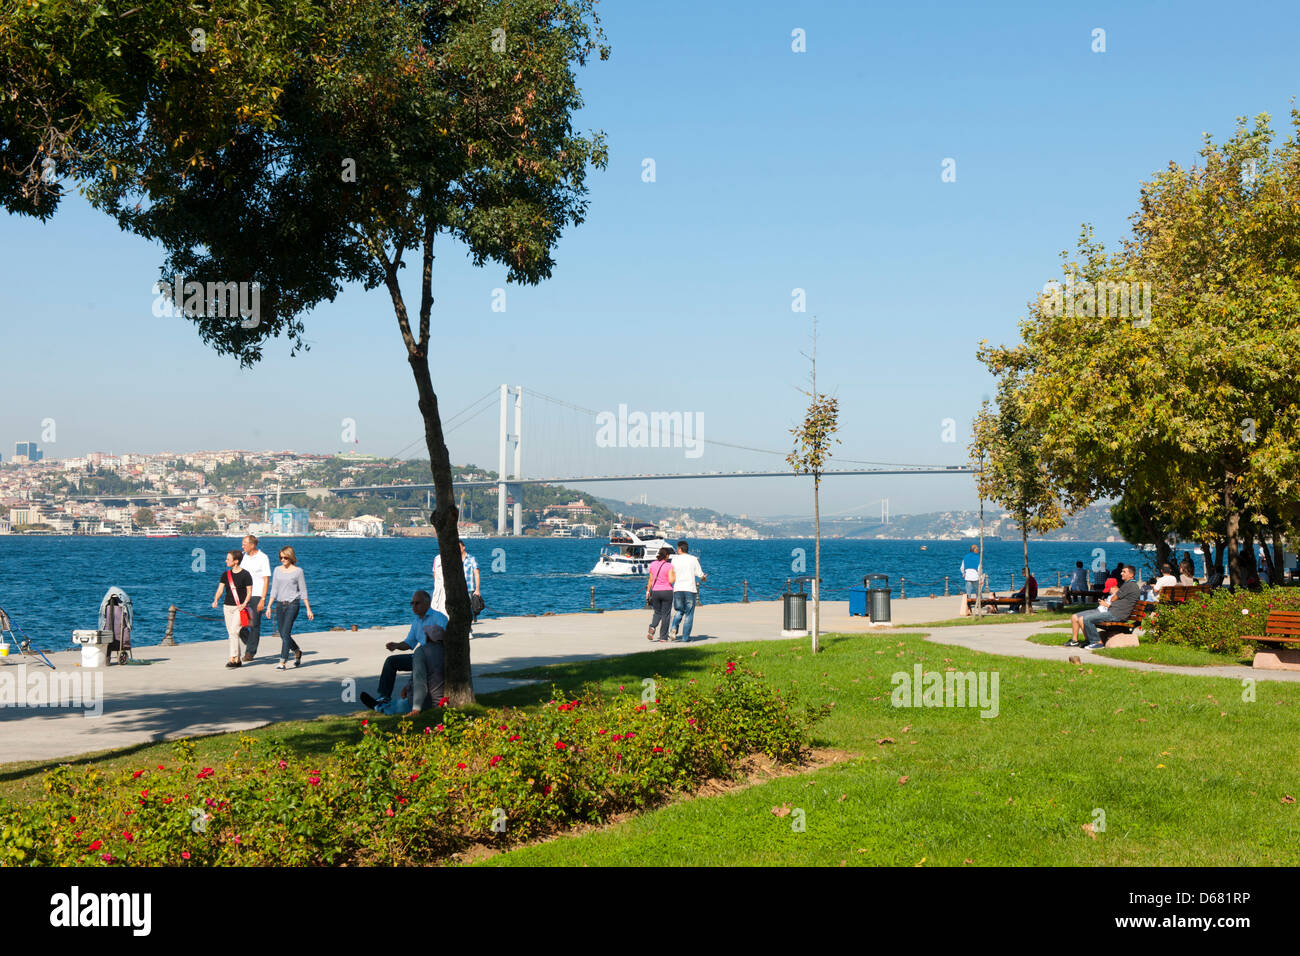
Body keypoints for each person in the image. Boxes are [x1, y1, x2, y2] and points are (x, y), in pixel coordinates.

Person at [359, 591, 447, 711]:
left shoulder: (439, 618)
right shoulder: (416, 621)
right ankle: (384, 697)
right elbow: (409, 643)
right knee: (391, 662)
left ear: (428, 603)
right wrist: (396, 645)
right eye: (412, 603)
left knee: (418, 671)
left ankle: (403, 703)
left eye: (417, 603)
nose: (414, 606)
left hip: (433, 658)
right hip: (419, 655)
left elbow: (445, 640)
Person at [1066, 565, 1140, 649]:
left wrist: (1115, 600)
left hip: (1116, 614)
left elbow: (1114, 598)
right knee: (1086, 618)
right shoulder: (1129, 585)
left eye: (1124, 572)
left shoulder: (1129, 585)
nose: (1121, 573)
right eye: (1122, 571)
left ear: (1131, 575)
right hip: (1114, 612)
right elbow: (1116, 598)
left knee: (1087, 619)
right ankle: (1092, 641)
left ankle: (1097, 643)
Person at [266, 545, 314, 670]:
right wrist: (269, 606)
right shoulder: (277, 570)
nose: (282, 560)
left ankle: (282, 661)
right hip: (280, 604)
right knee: (283, 634)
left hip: (293, 604)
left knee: (286, 632)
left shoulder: (298, 571)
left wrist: (308, 609)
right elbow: (274, 589)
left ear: (291, 557)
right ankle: (297, 651)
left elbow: (303, 591)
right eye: (280, 557)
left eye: (285, 557)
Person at [212, 550, 253, 668]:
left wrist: (245, 603)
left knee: (234, 631)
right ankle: (238, 659)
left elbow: (249, 591)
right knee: (232, 633)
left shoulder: (246, 574)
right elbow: (220, 589)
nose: (226, 560)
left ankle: (232, 658)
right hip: (227, 606)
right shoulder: (225, 575)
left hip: (239, 608)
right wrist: (216, 600)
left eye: (228, 559)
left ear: (236, 561)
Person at [432, 540, 481, 632]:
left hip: (468, 588)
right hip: (455, 588)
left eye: (459, 547)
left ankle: (468, 630)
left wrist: (477, 589)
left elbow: (476, 574)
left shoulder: (471, 558)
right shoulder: (452, 559)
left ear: (463, 547)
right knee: (456, 610)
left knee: (467, 610)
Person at [239, 534, 271, 662]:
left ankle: (250, 653)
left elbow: (266, 579)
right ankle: (250, 643)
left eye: (244, 544)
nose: (242, 546)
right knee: (240, 625)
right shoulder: (243, 557)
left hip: (257, 594)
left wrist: (263, 599)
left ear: (252, 545)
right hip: (243, 596)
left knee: (254, 624)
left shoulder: (263, 558)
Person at [668, 540, 706, 642]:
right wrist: (704, 578)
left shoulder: (674, 560)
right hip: (690, 589)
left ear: (680, 549)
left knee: (679, 610)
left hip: (678, 589)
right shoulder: (693, 559)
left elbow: (672, 573)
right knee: (689, 614)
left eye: (677, 548)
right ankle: (685, 638)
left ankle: (674, 628)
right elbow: (700, 574)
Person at [645, 546, 675, 642]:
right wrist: (675, 576)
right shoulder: (669, 566)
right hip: (667, 591)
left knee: (657, 612)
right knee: (666, 615)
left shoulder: (652, 564)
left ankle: (652, 626)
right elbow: (671, 580)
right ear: (666, 556)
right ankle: (663, 637)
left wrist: (648, 591)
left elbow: (650, 580)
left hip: (656, 592)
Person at [959, 545, 981, 613]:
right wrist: (980, 577)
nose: (978, 550)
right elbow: (979, 568)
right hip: (975, 576)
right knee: (978, 591)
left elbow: (962, 568)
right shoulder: (977, 557)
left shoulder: (965, 557)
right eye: (977, 549)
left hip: (968, 576)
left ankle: (968, 605)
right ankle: (979, 604)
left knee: (968, 592)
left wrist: (963, 574)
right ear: (974, 550)